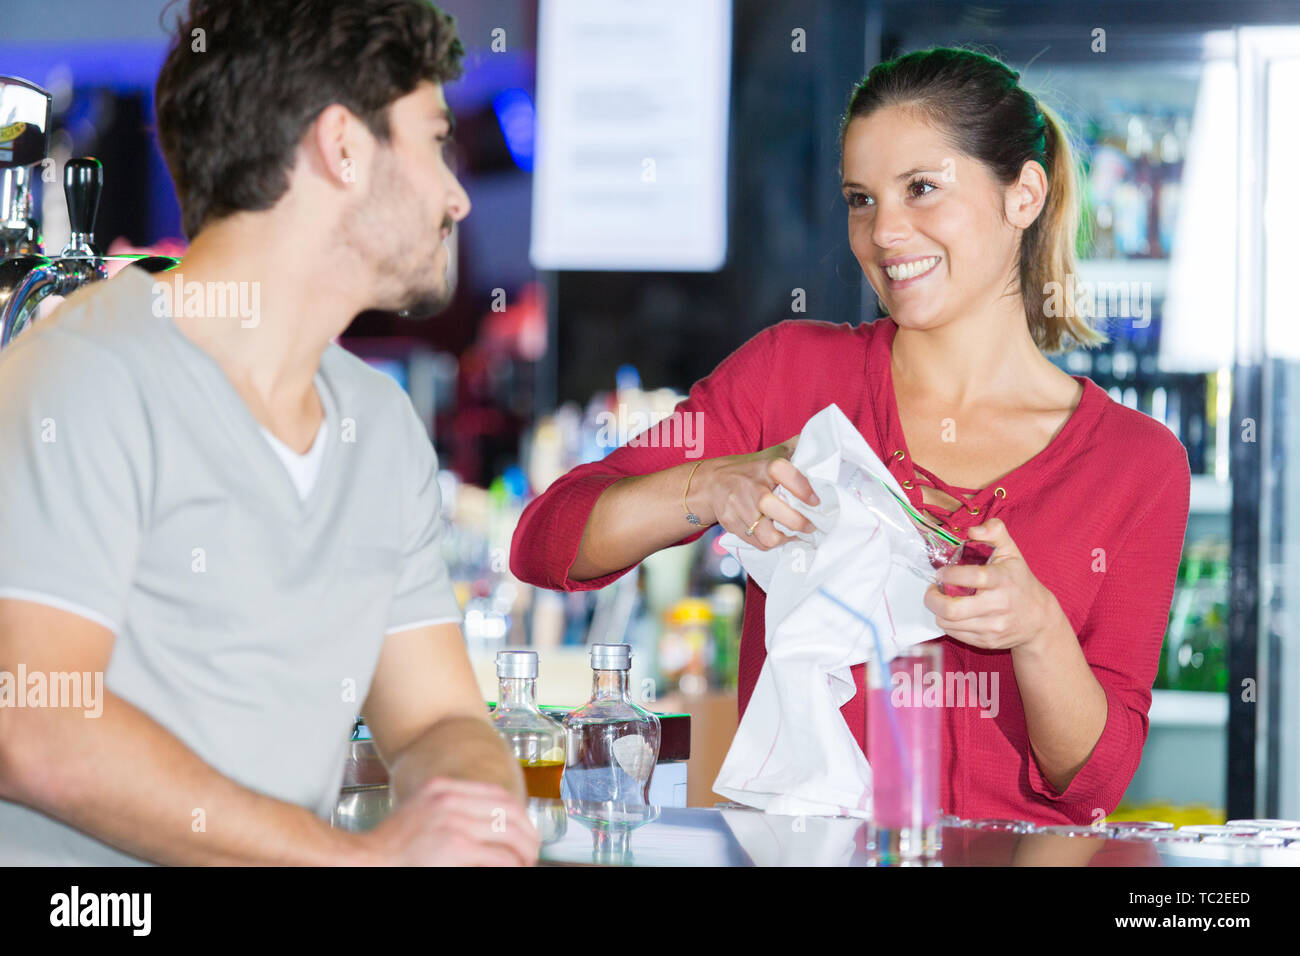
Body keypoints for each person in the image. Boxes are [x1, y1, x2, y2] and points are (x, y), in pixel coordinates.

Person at [511, 47, 1191, 826]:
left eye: (922, 189)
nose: (884, 233)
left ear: (1024, 195)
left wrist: (1038, 631)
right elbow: (545, 542)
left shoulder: (1136, 463)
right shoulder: (789, 376)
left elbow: (1093, 782)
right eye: (861, 199)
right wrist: (707, 485)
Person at [0, 0, 540, 865]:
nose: (458, 193)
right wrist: (360, 861)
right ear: (343, 146)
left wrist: (477, 822)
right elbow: (35, 723)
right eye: (435, 141)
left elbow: (439, 718)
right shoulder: (86, 374)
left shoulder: (379, 427)